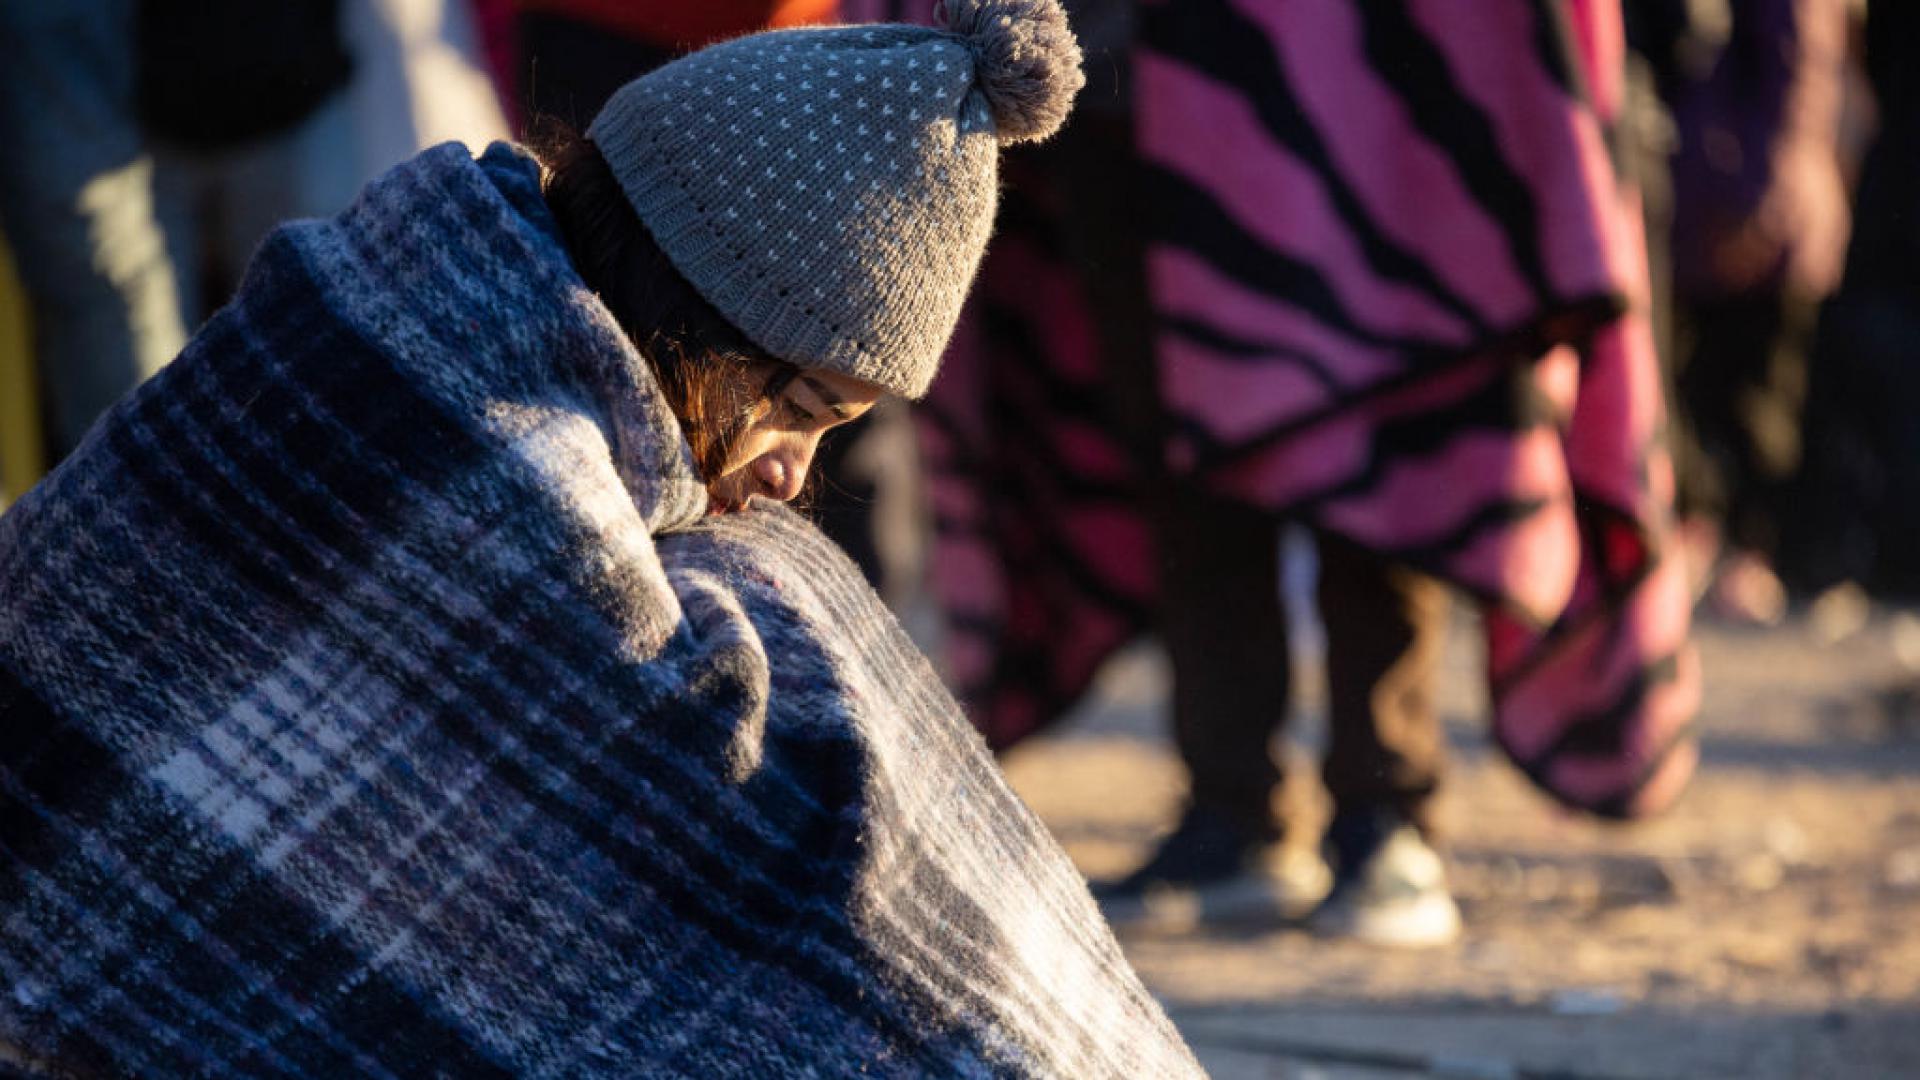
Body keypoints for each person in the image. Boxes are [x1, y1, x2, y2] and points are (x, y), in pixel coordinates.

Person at [0, 4, 1204, 1075]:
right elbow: (754, 906)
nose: (790, 473)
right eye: (802, 410)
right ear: (706, 314)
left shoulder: (392, 293)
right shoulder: (480, 451)